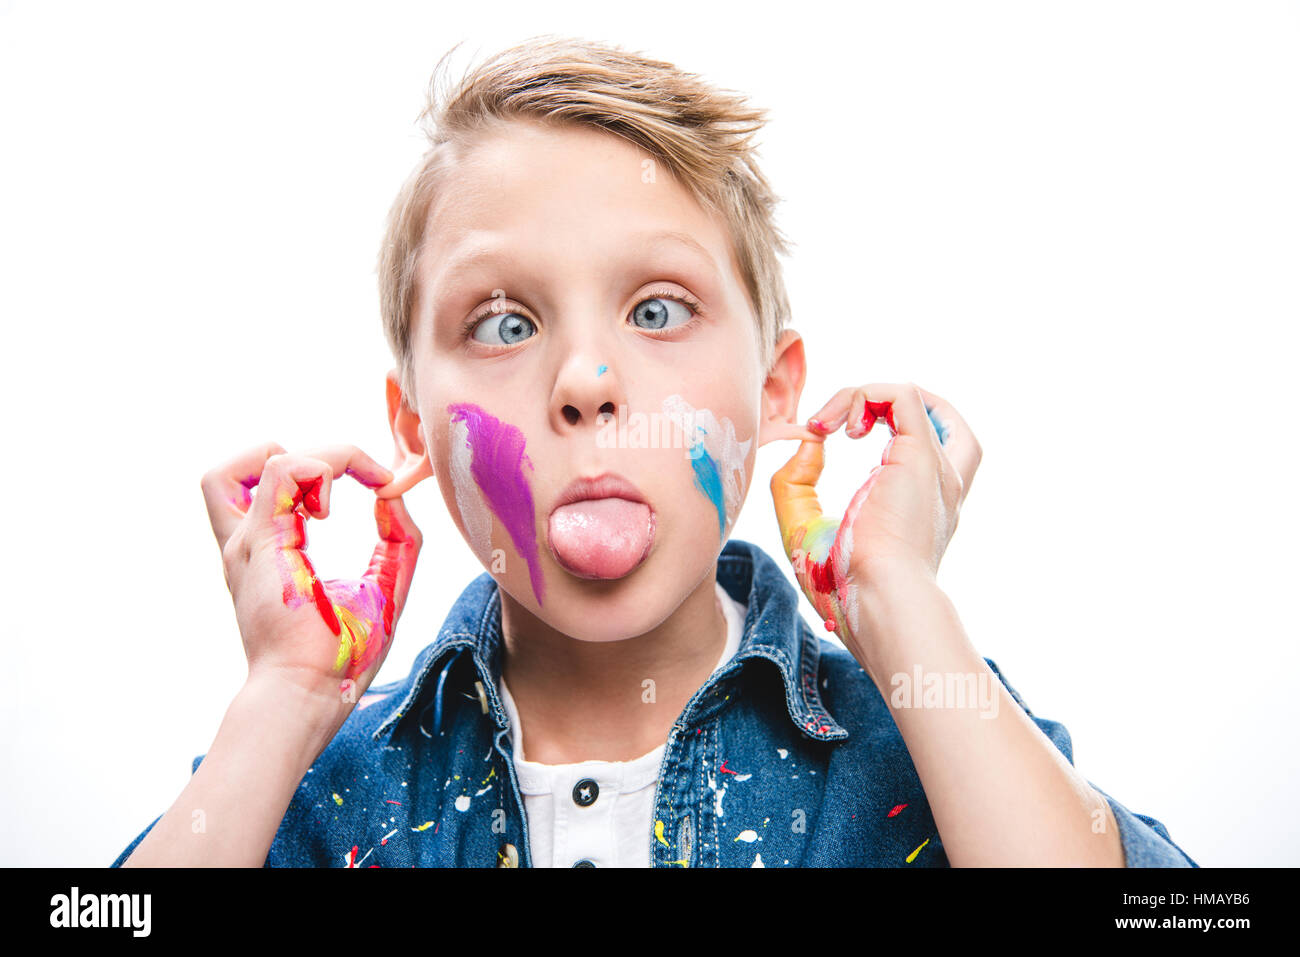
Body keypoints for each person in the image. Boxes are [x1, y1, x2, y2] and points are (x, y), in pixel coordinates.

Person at [112, 35, 1195, 868]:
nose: (585, 382)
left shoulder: (927, 733)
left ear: (775, 392)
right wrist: (284, 699)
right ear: (413, 432)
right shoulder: (327, 781)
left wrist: (897, 596)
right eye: (503, 323)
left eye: (660, 310)